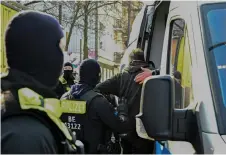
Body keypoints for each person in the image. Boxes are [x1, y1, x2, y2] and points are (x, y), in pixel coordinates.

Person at [1, 11, 78, 154]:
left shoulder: (18, 109)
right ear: (44, 53)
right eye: (60, 49)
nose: (62, 58)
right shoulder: (25, 137)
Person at [61, 59, 133, 154]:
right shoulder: (98, 101)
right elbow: (121, 126)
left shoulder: (64, 98)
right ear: (97, 76)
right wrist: (122, 110)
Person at [95, 48, 155, 154]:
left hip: (126, 130)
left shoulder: (121, 77)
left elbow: (98, 88)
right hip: (146, 132)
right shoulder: (151, 76)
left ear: (130, 61)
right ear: (144, 60)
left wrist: (110, 106)